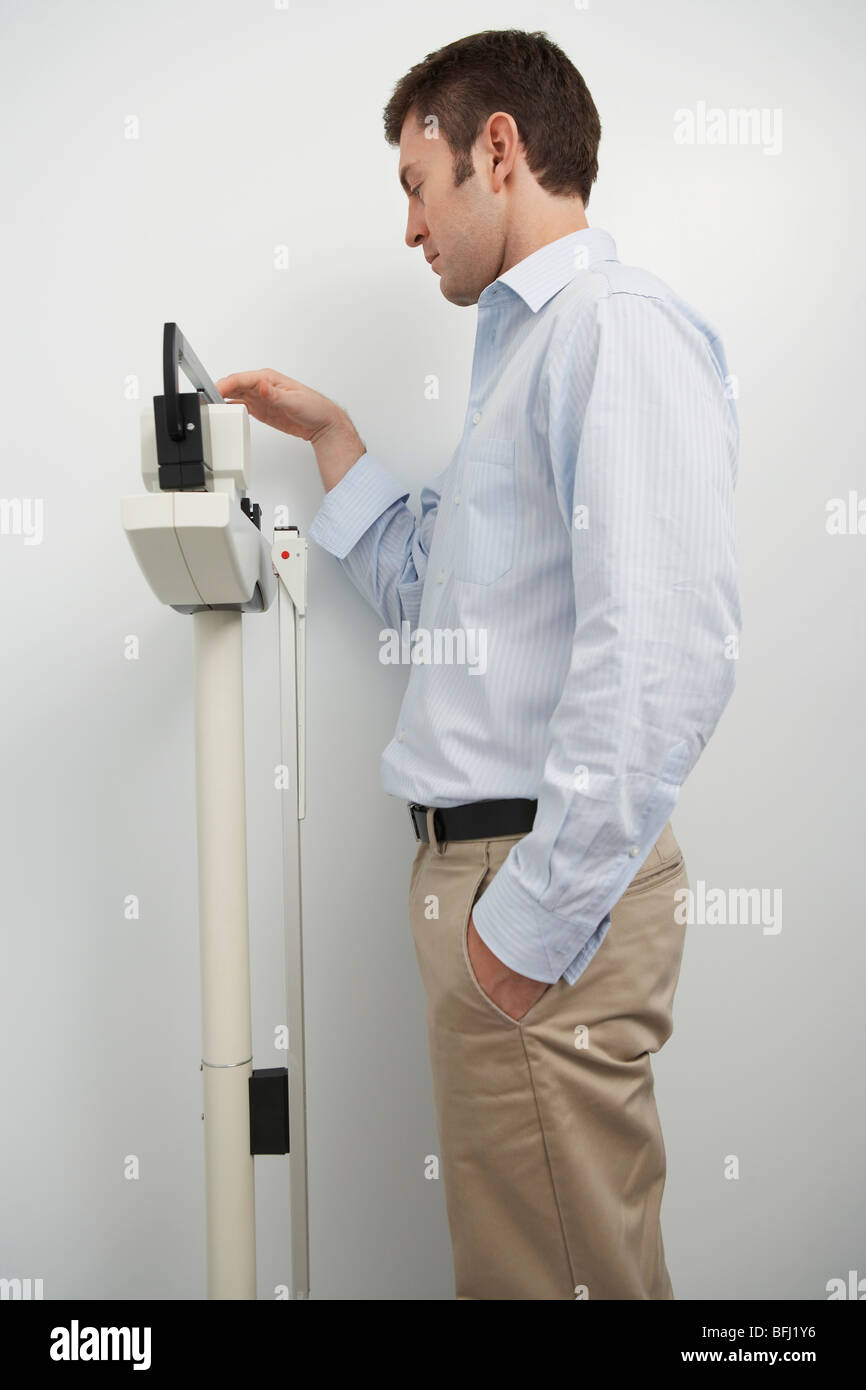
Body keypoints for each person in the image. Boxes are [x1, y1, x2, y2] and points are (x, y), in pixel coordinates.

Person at [215, 27, 741, 1300]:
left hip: (534, 888)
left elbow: (664, 650)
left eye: (415, 178)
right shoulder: (522, 358)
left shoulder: (612, 330)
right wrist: (335, 437)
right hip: (497, 884)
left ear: (495, 149)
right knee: (546, 1271)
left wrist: (530, 925)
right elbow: (438, 590)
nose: (409, 226)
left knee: (552, 1280)